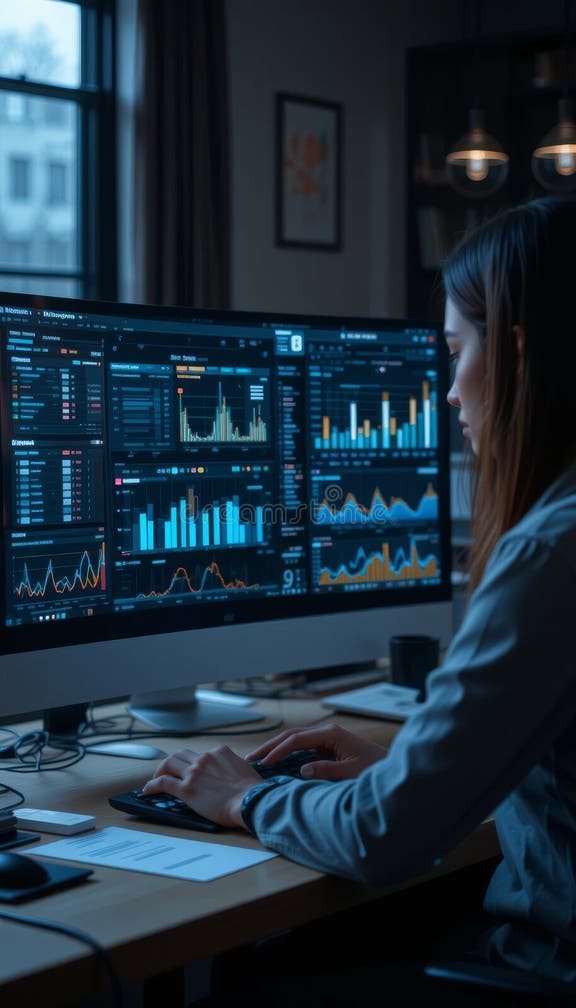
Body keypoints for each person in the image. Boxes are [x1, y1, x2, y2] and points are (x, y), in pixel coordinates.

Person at [143, 195, 576, 999]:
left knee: (256, 976)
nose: (449, 394)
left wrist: (248, 796)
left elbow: (383, 839)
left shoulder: (551, 552)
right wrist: (410, 771)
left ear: (516, 354)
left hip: (545, 966)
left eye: (456, 352)